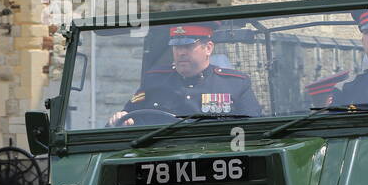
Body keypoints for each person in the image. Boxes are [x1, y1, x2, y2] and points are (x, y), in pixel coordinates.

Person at [111, 24, 261, 124]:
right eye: (176, 47)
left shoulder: (235, 84)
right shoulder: (154, 80)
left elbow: (254, 130)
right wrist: (121, 119)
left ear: (208, 48)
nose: (181, 52)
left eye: (188, 46)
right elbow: (129, 118)